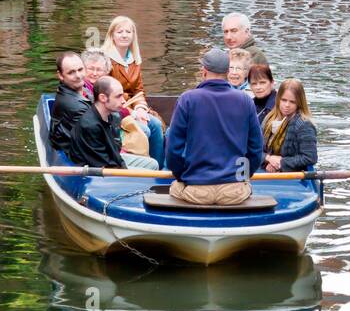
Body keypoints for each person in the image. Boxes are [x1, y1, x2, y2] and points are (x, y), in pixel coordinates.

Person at [165, 48, 264, 205]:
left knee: (174, 188)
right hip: (234, 191)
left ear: (204, 71)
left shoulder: (187, 100)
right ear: (227, 72)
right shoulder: (245, 101)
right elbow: (256, 150)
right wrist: (243, 176)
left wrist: (182, 176)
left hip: (196, 190)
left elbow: (173, 150)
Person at [83, 48, 163, 162]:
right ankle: (144, 164)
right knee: (144, 130)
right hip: (108, 125)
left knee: (155, 124)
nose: (94, 73)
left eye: (99, 70)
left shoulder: (105, 85)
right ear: (84, 69)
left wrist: (137, 111)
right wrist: (132, 114)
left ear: (106, 72)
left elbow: (123, 102)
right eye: (90, 69)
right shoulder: (85, 89)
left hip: (118, 117)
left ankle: (157, 166)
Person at [68, 75, 160, 170]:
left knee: (153, 164)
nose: (124, 101)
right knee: (151, 172)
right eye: (118, 96)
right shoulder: (89, 126)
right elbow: (103, 166)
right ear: (103, 98)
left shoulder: (112, 116)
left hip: (111, 158)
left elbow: (115, 150)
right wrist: (124, 167)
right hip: (98, 171)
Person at [260, 78, 318, 173]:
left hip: (291, 175)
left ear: (299, 103)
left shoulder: (304, 125)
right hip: (266, 168)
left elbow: (310, 157)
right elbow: (255, 149)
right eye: (284, 100)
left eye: (292, 102)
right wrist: (268, 158)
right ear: (278, 99)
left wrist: (281, 163)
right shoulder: (268, 119)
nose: (287, 105)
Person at [51, 52, 91, 152]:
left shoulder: (84, 90)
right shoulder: (76, 107)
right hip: (80, 156)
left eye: (80, 70)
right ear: (60, 75)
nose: (78, 75)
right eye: (71, 72)